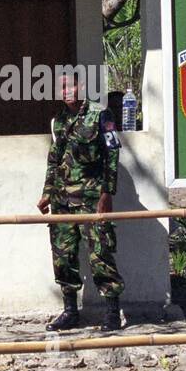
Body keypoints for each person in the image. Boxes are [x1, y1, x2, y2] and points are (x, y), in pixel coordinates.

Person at [37, 72, 125, 332]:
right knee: (63, 256)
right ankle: (70, 311)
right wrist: (46, 193)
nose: (66, 91)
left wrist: (107, 193)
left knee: (101, 255)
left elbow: (112, 153)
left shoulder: (101, 115)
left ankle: (111, 313)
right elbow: (53, 160)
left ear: (81, 86)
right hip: (62, 201)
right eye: (62, 87)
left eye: (70, 85)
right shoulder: (59, 120)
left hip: (91, 198)